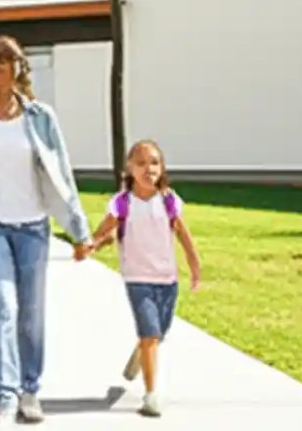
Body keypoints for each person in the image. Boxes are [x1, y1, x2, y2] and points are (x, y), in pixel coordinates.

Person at [0, 34, 94, 431]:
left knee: (31, 313)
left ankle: (30, 387)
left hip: (33, 227)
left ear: (16, 68)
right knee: (3, 307)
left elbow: (62, 174)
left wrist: (79, 231)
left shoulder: (40, 117)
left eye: (2, 60)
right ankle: (5, 396)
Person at [90, 140, 202, 418]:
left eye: (154, 162)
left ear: (162, 168)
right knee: (151, 334)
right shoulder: (122, 202)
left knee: (158, 333)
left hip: (167, 279)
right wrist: (91, 244)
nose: (148, 168)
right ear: (129, 168)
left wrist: (194, 264)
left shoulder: (169, 200)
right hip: (137, 278)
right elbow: (104, 229)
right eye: (140, 163)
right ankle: (152, 394)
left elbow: (182, 235)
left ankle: (140, 353)